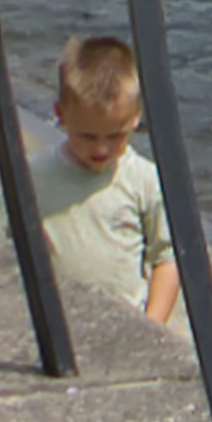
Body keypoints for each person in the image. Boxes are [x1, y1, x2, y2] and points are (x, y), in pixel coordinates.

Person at [34, 29, 180, 329]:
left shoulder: (143, 179)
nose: (101, 149)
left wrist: (151, 325)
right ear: (60, 115)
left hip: (126, 324)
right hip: (57, 322)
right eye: (86, 136)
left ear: (135, 117)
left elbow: (167, 258)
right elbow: (0, 240)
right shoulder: (35, 175)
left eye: (115, 135)